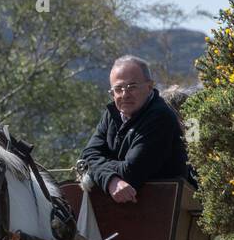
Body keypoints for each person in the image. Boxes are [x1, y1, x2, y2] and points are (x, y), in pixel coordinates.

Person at [78, 55, 189, 204]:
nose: (124, 95)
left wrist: (99, 171)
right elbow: (86, 158)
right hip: (123, 210)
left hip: (162, 210)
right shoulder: (112, 114)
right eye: (118, 89)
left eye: (132, 87)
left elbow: (130, 172)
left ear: (149, 86)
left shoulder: (160, 117)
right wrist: (111, 180)